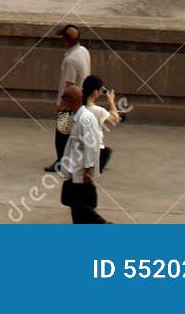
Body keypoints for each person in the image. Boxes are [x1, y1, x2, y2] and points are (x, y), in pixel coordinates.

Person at [58, 74, 110, 224]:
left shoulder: (85, 119)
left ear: (72, 100)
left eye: (64, 97)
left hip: (82, 172)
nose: (62, 101)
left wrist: (88, 169)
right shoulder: (77, 117)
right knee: (77, 207)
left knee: (80, 206)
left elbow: (91, 145)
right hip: (76, 170)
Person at [48, 24, 91, 171]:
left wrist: (62, 105)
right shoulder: (83, 51)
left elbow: (69, 84)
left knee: (61, 134)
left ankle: (61, 163)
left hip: (70, 102)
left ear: (65, 41)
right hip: (81, 99)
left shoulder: (70, 60)